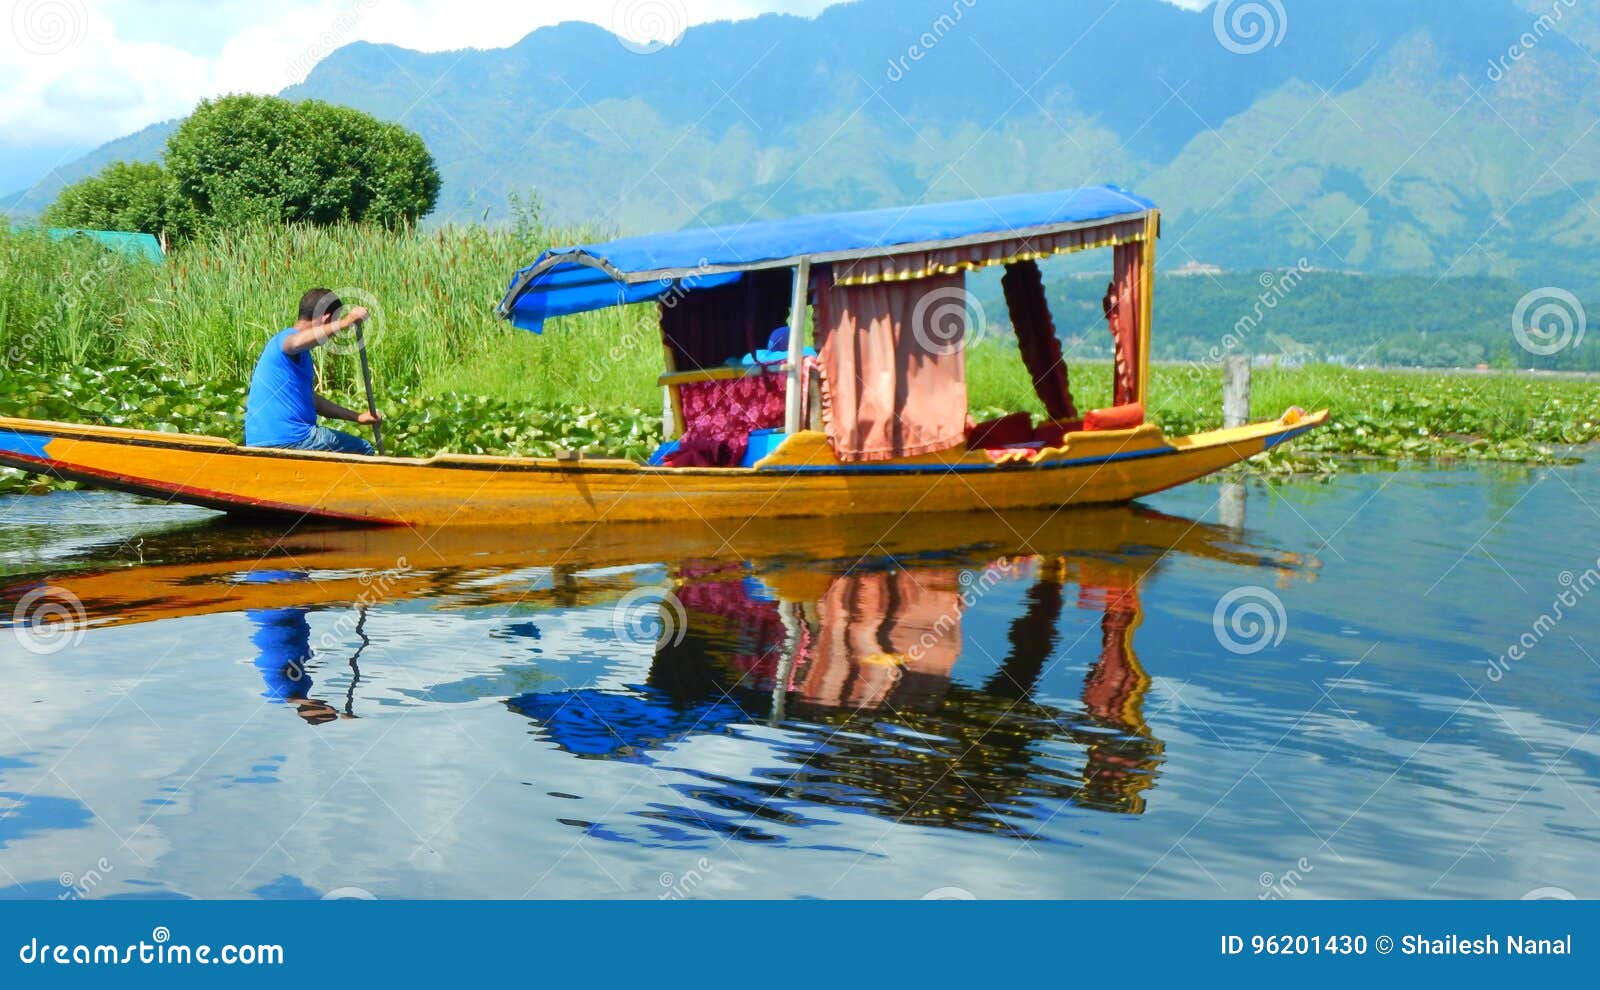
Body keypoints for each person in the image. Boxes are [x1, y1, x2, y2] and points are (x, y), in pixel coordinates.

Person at [244, 288, 382, 455]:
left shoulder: (300, 356)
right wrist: (345, 322)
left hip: (260, 441)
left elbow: (312, 401)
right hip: (292, 439)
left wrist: (357, 417)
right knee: (363, 449)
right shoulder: (286, 338)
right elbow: (294, 343)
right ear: (327, 319)